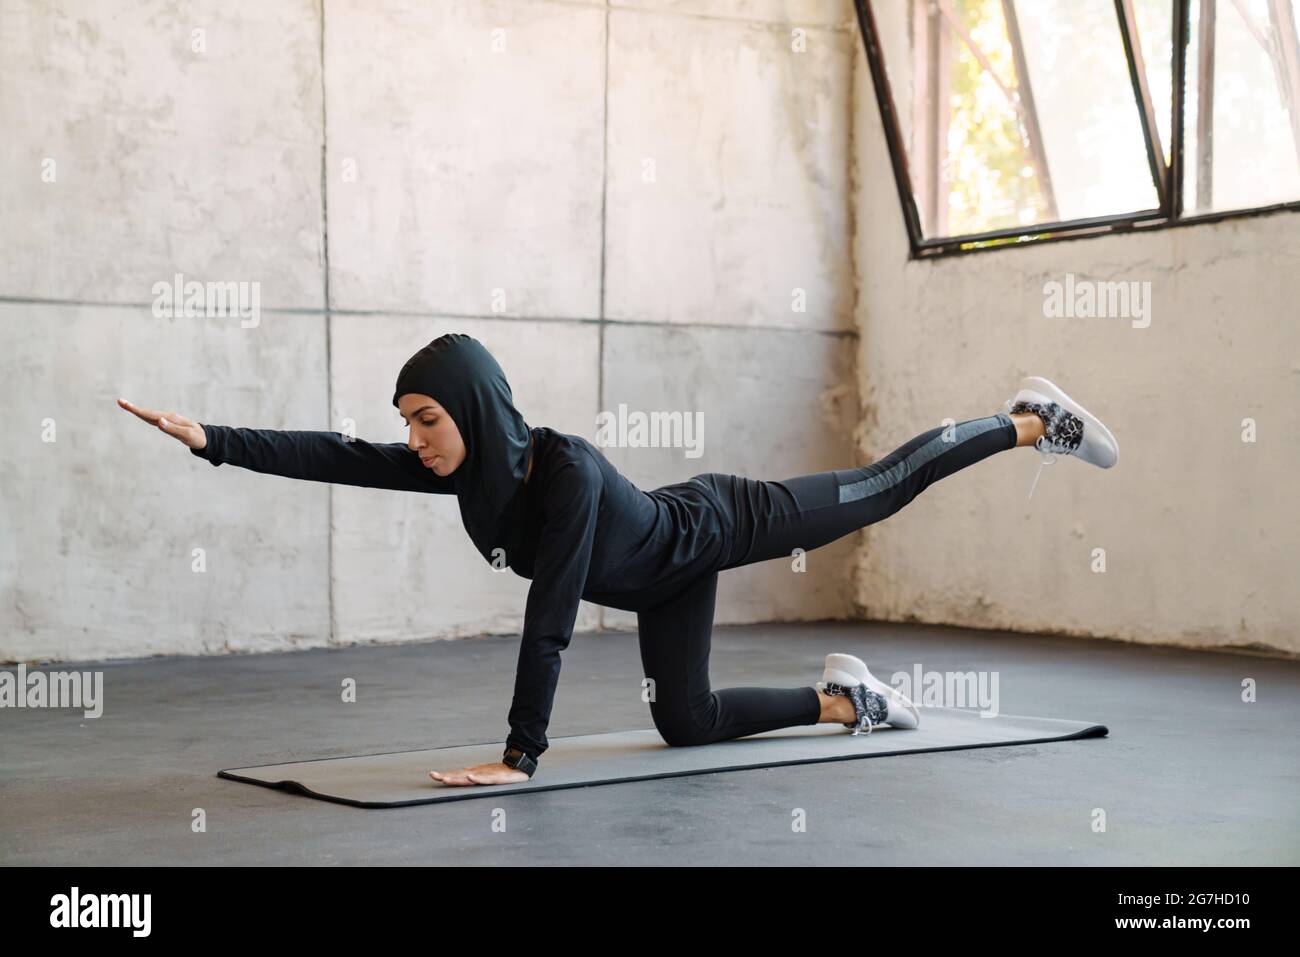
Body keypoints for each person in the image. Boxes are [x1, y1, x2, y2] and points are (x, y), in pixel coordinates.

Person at [119, 333, 1118, 787]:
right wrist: (213, 437)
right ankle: (847, 703)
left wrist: (519, 756)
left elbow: (550, 618)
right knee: (688, 725)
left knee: (882, 487)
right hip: (664, 578)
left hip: (720, 522)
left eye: (426, 419)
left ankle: (1028, 419)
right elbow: (335, 457)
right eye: (409, 424)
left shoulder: (567, 475)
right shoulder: (468, 472)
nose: (415, 438)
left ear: (469, 411)